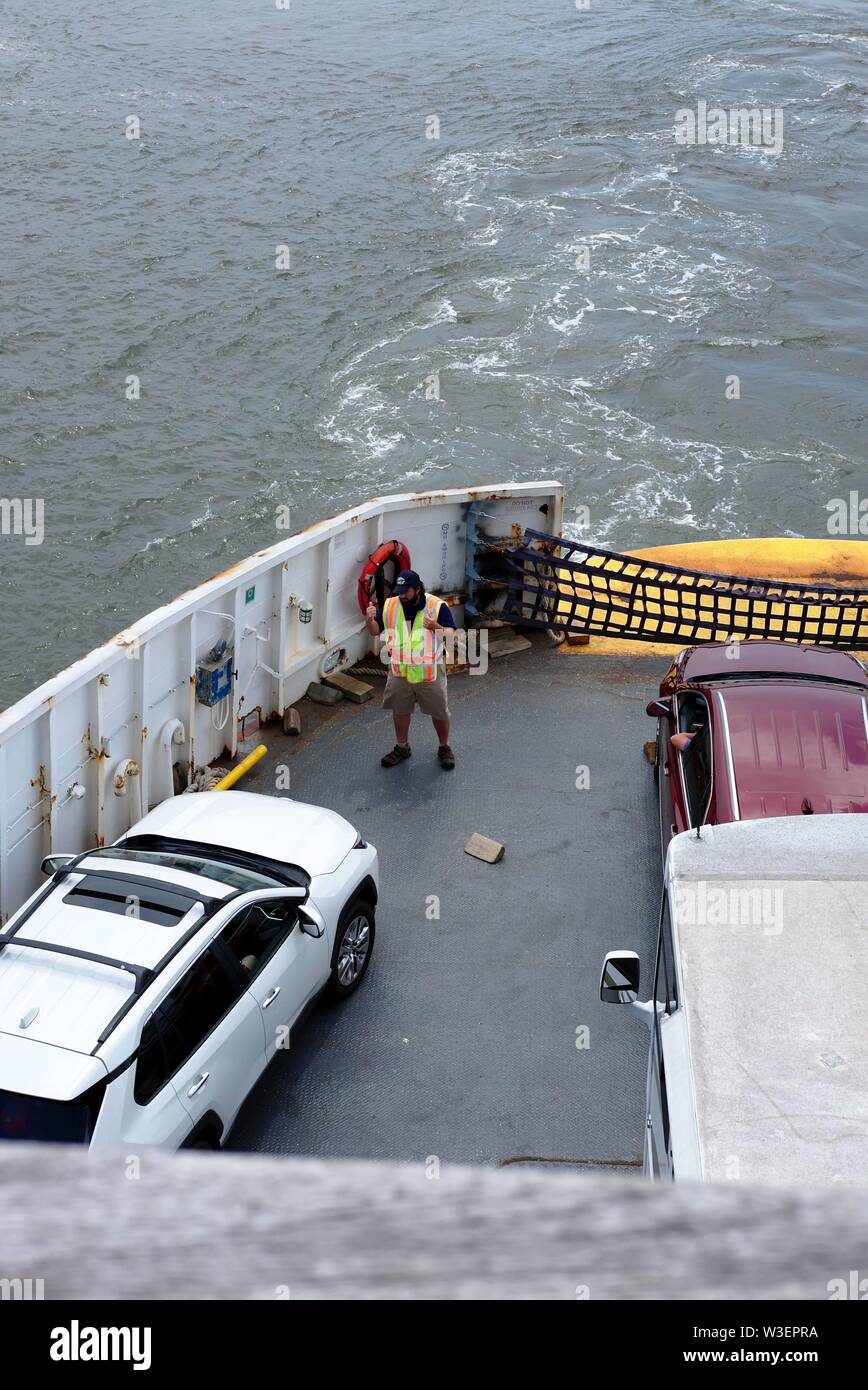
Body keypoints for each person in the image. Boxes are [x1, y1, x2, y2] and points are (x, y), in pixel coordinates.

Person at [365, 569, 456, 769]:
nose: (402, 595)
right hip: (400, 671)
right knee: (400, 710)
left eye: (406, 591)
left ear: (417, 589)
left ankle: (444, 747)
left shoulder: (436, 606)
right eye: (399, 591)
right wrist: (369, 619)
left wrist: (436, 627)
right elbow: (374, 631)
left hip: (429, 671)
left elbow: (451, 635)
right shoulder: (390, 605)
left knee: (439, 712)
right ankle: (402, 747)